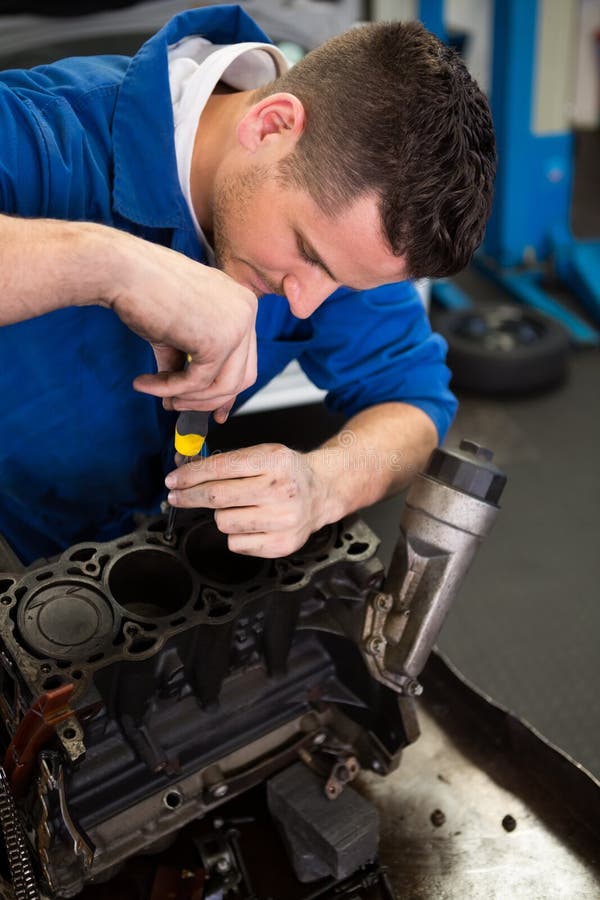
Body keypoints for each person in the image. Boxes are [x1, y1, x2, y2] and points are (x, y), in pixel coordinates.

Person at [0, 5, 496, 565]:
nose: (305, 301)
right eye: (307, 254)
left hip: (124, 547)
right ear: (269, 126)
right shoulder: (38, 131)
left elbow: (415, 402)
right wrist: (108, 266)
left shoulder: (350, 229)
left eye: (341, 284)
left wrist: (322, 483)